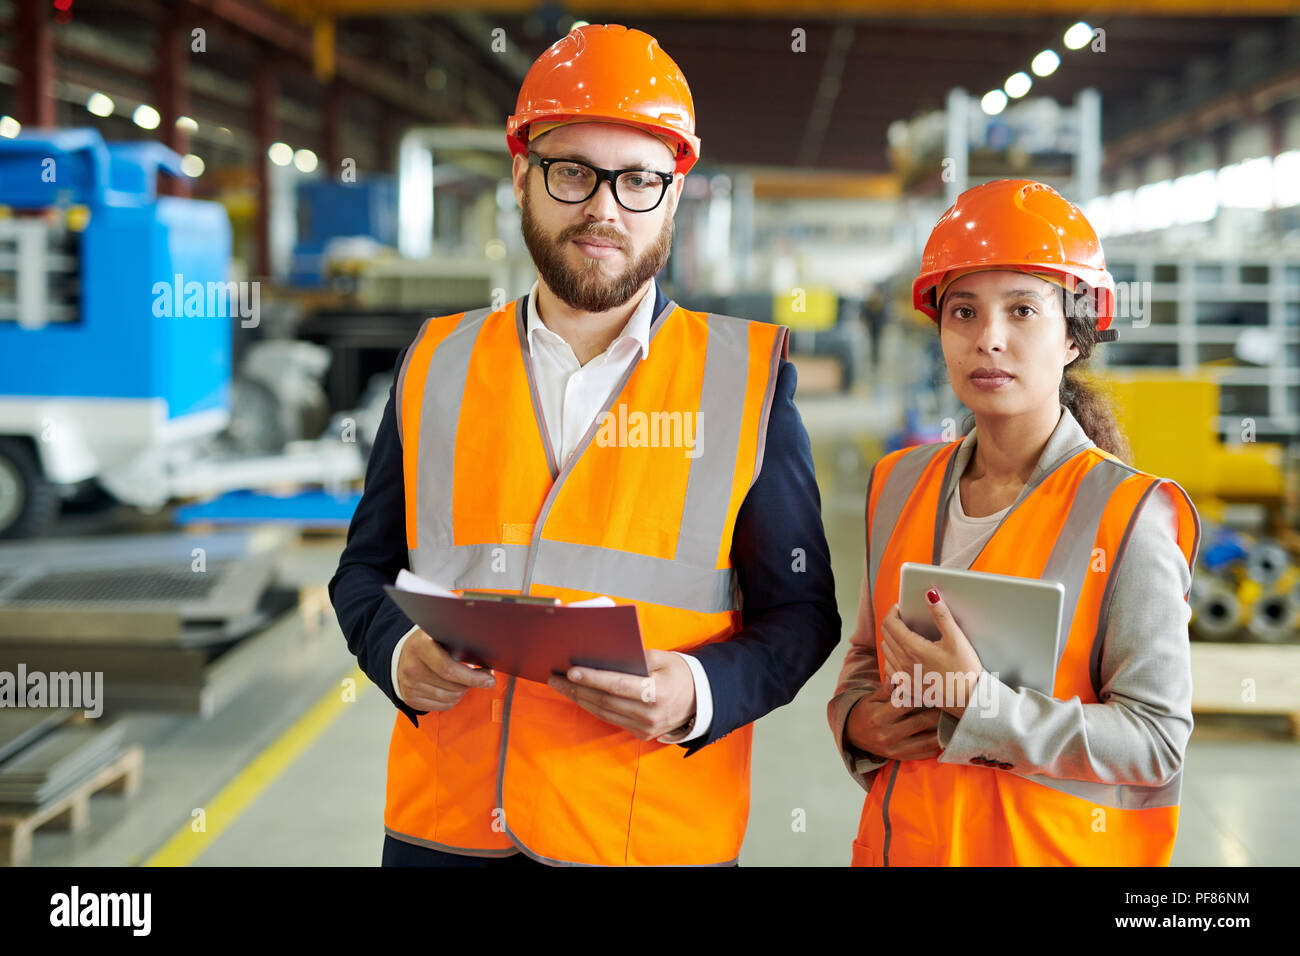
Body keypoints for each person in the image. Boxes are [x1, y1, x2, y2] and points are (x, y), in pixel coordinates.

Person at [330, 23, 839, 867]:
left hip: (643, 835)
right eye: (574, 172)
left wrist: (699, 694)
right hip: (444, 833)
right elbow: (363, 567)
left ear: (672, 197)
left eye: (638, 179)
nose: (605, 207)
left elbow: (801, 614)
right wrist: (394, 651)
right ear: (523, 178)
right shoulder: (436, 362)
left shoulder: (745, 380)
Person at [826, 179, 1201, 866]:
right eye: (963, 312)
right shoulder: (900, 482)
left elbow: (1155, 739)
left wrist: (984, 708)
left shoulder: (1129, 515)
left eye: (1022, 310)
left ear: (1073, 337)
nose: (988, 340)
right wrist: (858, 721)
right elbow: (863, 663)